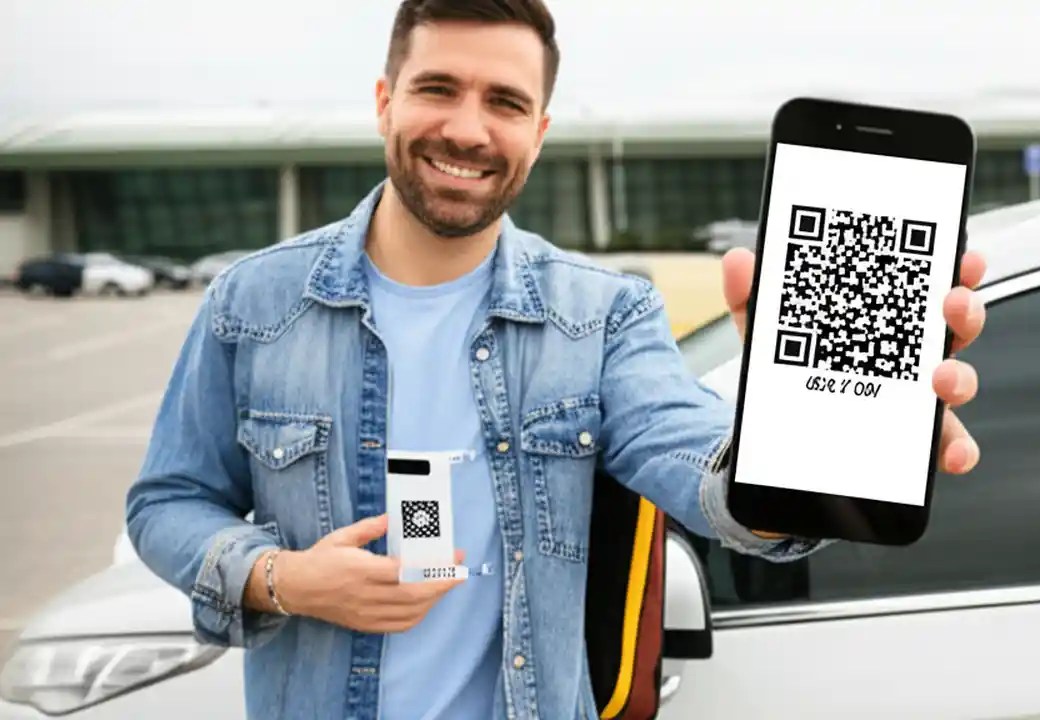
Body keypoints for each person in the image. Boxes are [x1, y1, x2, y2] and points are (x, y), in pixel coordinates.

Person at [123, 1, 988, 718]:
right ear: (385, 101)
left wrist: (803, 441)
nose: (468, 128)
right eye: (438, 88)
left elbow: (690, 459)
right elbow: (168, 501)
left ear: (537, 131)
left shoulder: (604, 315)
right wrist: (284, 579)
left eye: (503, 102)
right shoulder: (254, 304)